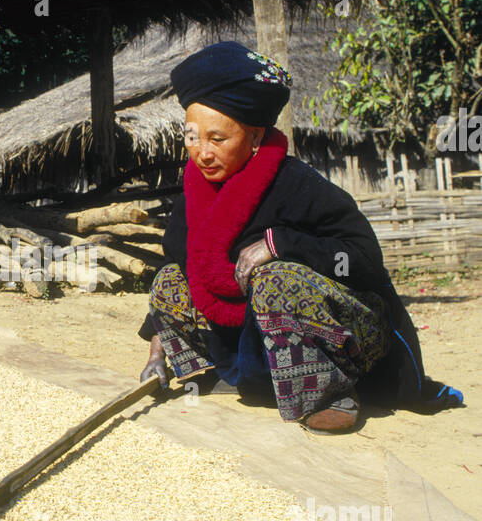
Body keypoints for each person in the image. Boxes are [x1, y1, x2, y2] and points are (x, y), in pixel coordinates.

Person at [138, 41, 463, 433]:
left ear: (255, 138)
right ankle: (216, 372)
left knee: (277, 279)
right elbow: (180, 261)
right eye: (193, 137)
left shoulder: (299, 186)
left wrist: (282, 244)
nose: (202, 153)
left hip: (350, 335)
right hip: (245, 338)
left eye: (218, 139)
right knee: (169, 280)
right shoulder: (194, 193)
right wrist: (159, 348)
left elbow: (364, 259)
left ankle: (330, 394)